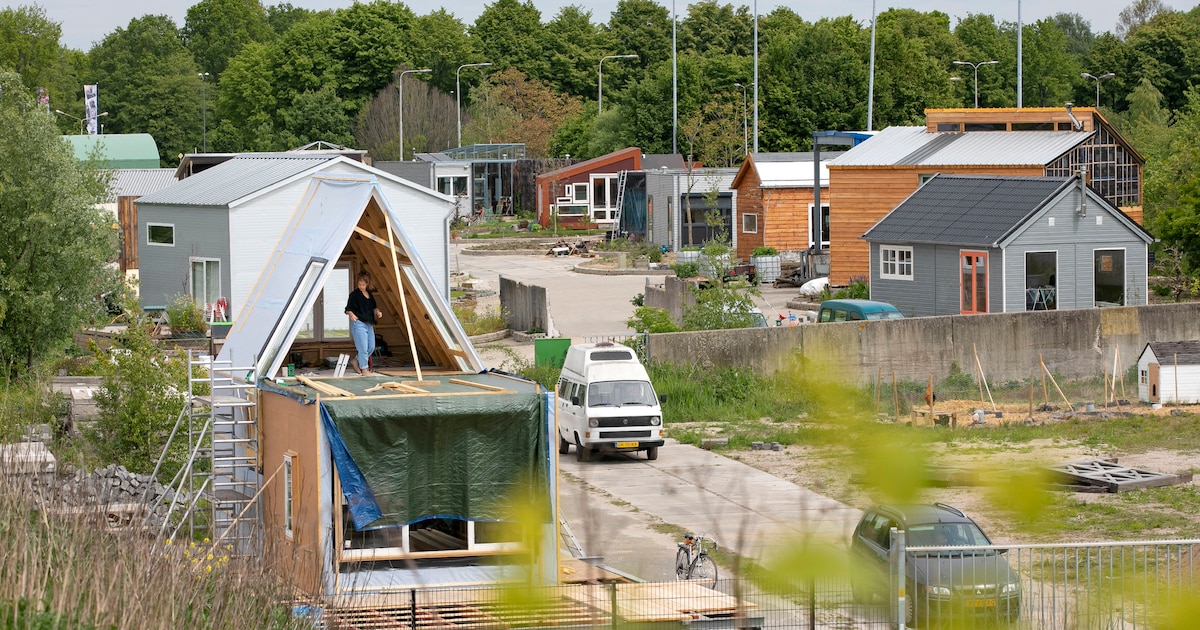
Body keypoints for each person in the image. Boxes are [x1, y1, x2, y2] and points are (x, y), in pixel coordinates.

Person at [344, 272, 382, 375]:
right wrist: (351, 314)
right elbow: (348, 308)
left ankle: (356, 360)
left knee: (371, 347)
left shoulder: (370, 295)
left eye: (363, 285)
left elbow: (374, 307)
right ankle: (364, 369)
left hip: (369, 324)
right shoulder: (354, 295)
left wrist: (377, 312)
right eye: (359, 284)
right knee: (363, 348)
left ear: (367, 284)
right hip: (359, 323)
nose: (361, 286)